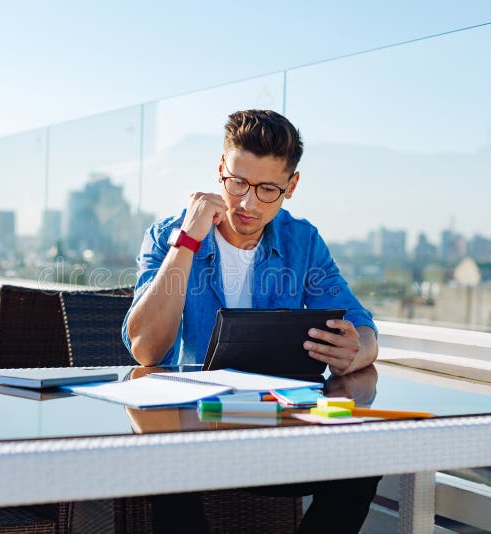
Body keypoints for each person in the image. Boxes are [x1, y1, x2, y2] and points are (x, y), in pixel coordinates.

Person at [122, 109, 380, 533]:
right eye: (237, 183)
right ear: (219, 170)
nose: (247, 203)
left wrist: (358, 349)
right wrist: (187, 242)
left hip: (275, 429)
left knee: (363, 458)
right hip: (189, 430)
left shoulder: (303, 242)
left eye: (266, 189)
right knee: (165, 460)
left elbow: (361, 326)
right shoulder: (167, 235)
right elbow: (146, 349)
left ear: (291, 187)